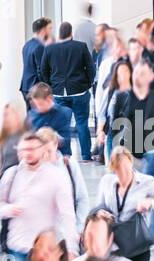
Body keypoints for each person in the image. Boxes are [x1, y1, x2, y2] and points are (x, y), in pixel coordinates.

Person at [0, 133, 77, 261]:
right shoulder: (11, 174)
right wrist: (8, 209)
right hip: (17, 247)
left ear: (42, 149)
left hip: (46, 251)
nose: (28, 153)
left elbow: (67, 215)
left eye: (32, 149)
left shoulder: (57, 176)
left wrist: (72, 248)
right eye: (24, 149)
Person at [92, 148, 154, 261]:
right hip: (114, 244)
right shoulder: (107, 181)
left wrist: (150, 202)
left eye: (125, 170)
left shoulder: (147, 182)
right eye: (117, 170)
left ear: (131, 163)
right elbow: (98, 206)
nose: (122, 175)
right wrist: (101, 213)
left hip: (137, 243)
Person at [39, 22, 95, 160]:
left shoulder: (50, 49)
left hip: (58, 92)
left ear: (59, 33)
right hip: (79, 91)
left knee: (63, 124)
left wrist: (50, 86)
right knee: (82, 123)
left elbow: (43, 70)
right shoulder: (81, 47)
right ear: (71, 33)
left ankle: (66, 154)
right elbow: (91, 68)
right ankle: (86, 156)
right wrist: (87, 84)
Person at [110, 62, 154, 161]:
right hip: (128, 156)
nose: (137, 77)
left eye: (142, 73)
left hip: (153, 155)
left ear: (151, 76)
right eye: (135, 73)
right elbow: (114, 127)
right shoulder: (121, 97)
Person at [26, 83, 74, 156]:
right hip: (36, 153)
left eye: (40, 104)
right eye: (35, 105)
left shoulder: (61, 114)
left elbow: (65, 137)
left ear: (49, 99)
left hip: (55, 153)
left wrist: (66, 154)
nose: (38, 108)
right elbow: (27, 134)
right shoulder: (32, 114)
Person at [21, 18, 54, 101]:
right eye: (49, 29)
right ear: (43, 30)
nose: (50, 32)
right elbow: (41, 70)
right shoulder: (40, 46)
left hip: (25, 86)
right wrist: (48, 87)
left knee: (31, 113)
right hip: (35, 88)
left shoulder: (27, 45)